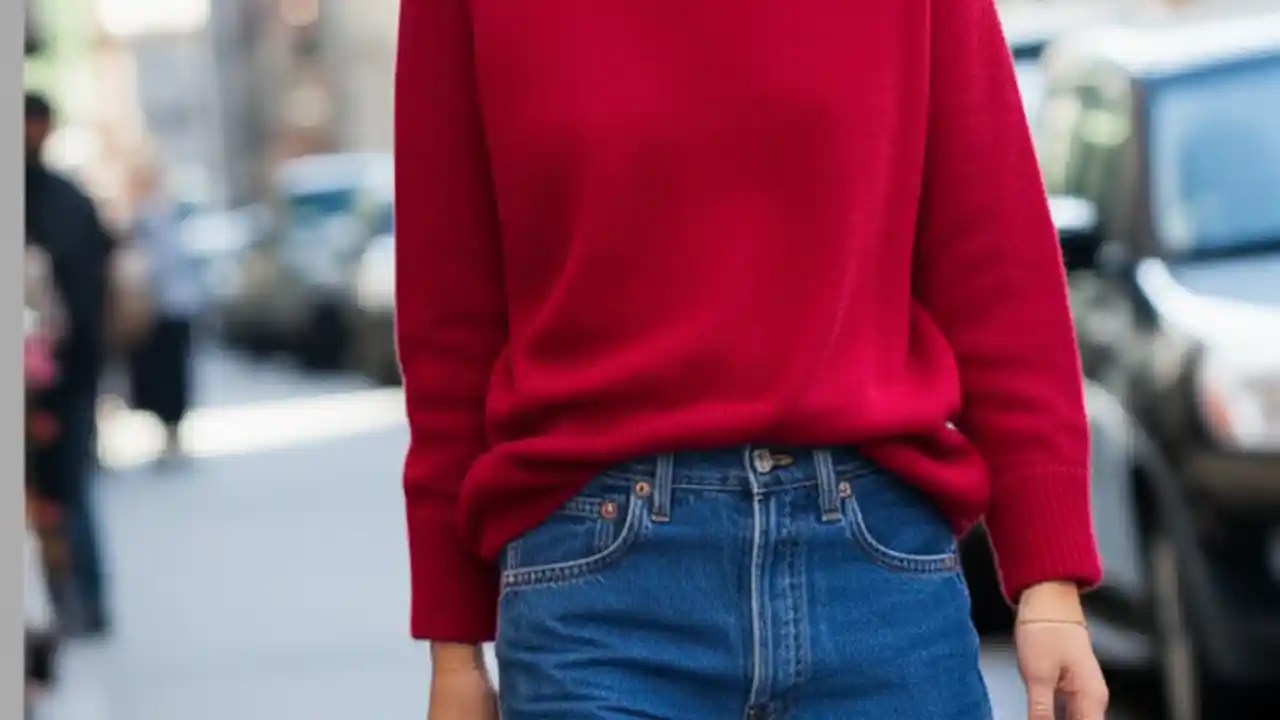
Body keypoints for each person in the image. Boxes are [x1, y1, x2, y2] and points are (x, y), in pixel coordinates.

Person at [394, 1, 1110, 719]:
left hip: (876, 578)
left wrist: (1050, 581)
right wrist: (455, 648)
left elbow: (991, 248)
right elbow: (450, 302)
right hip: (597, 601)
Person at [25, 92, 114, 637]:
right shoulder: (69, 198)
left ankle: (79, 603)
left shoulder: (61, 200)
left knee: (68, 495)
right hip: (63, 375)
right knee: (69, 495)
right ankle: (79, 604)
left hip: (58, 377)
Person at [126, 159, 203, 463]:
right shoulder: (143, 218)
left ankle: (174, 433)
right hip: (156, 309)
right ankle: (166, 432)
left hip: (174, 307)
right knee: (159, 374)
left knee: (174, 373)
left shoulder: (170, 215)